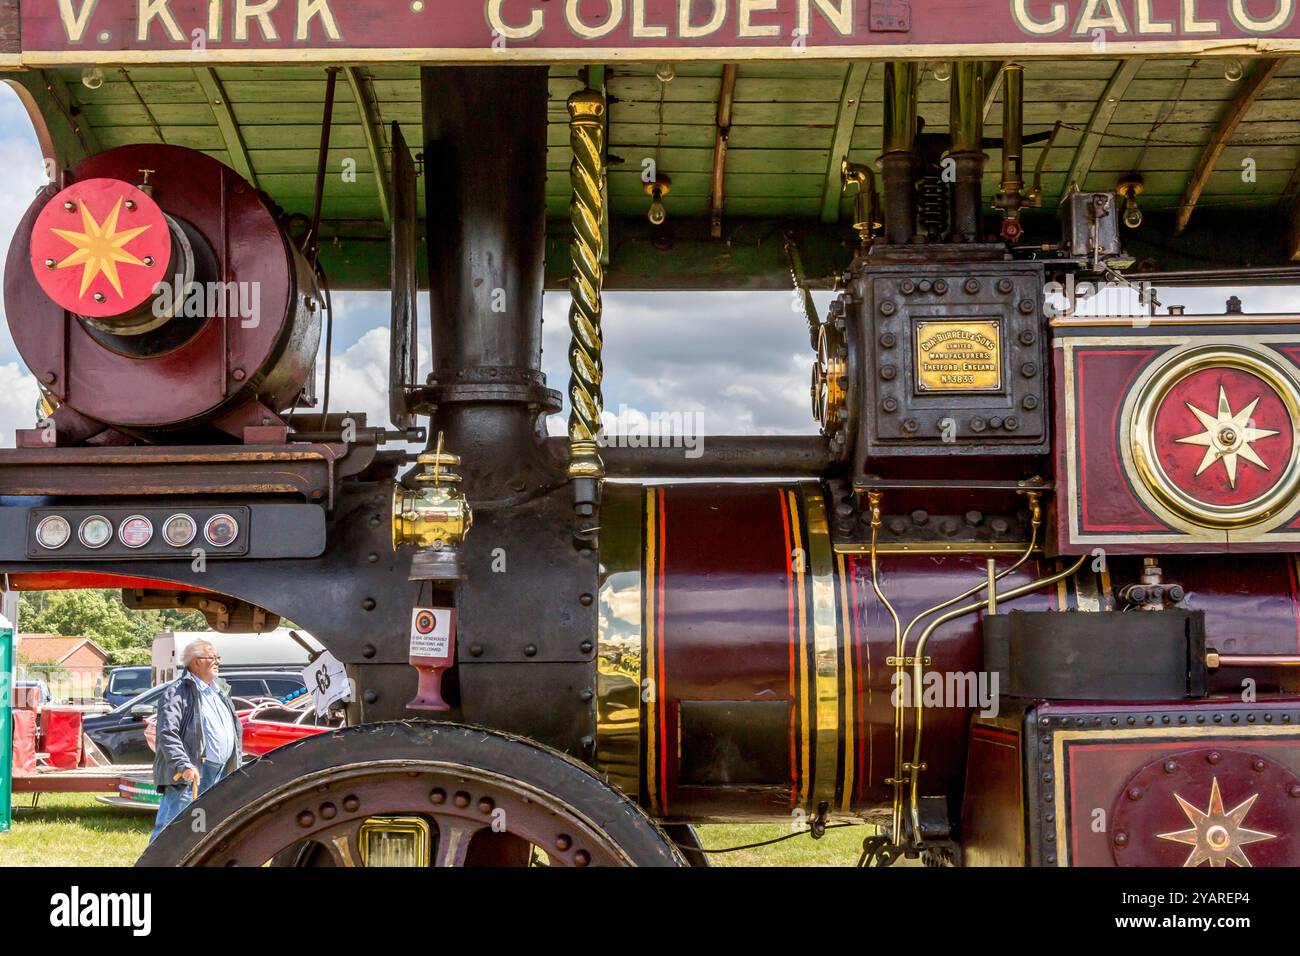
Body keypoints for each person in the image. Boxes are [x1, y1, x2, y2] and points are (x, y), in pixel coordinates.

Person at [148, 640, 242, 844]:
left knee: (200, 830)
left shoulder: (219, 690)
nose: (218, 662)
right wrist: (184, 764)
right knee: (172, 827)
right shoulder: (178, 691)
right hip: (191, 772)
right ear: (196, 662)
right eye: (213, 657)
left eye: (218, 657)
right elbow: (167, 733)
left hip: (219, 771)